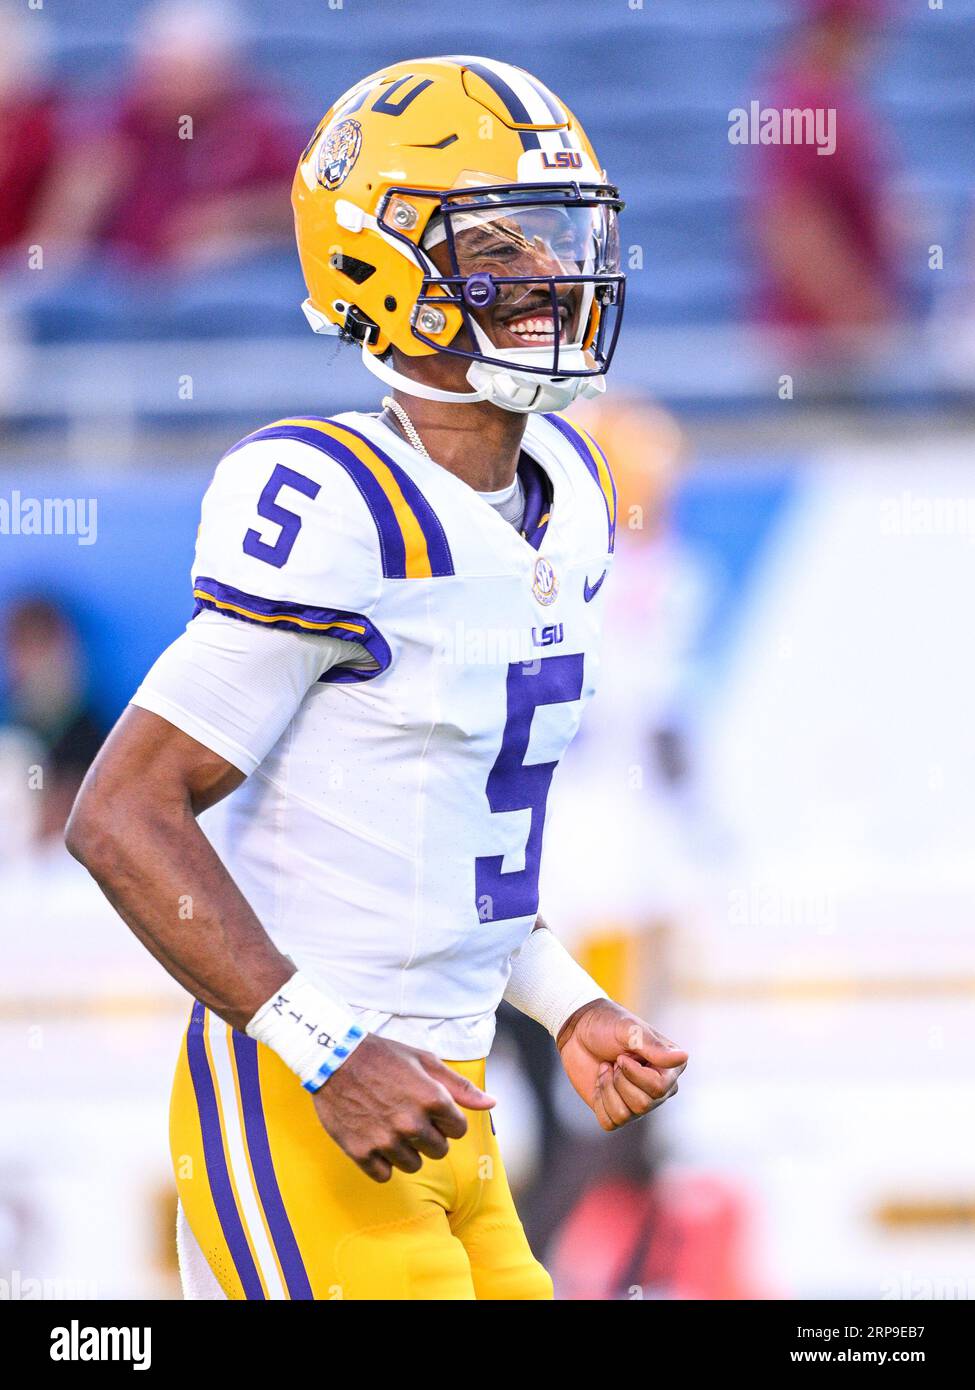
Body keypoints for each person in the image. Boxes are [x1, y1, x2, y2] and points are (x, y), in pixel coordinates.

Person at [66, 56, 687, 1302]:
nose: (553, 280)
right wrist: (329, 1051)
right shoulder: (335, 502)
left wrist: (565, 1003)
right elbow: (121, 813)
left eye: (556, 242)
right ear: (385, 266)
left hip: (448, 1109)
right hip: (308, 1102)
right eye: (497, 253)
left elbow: (442, 853)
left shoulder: (564, 495)